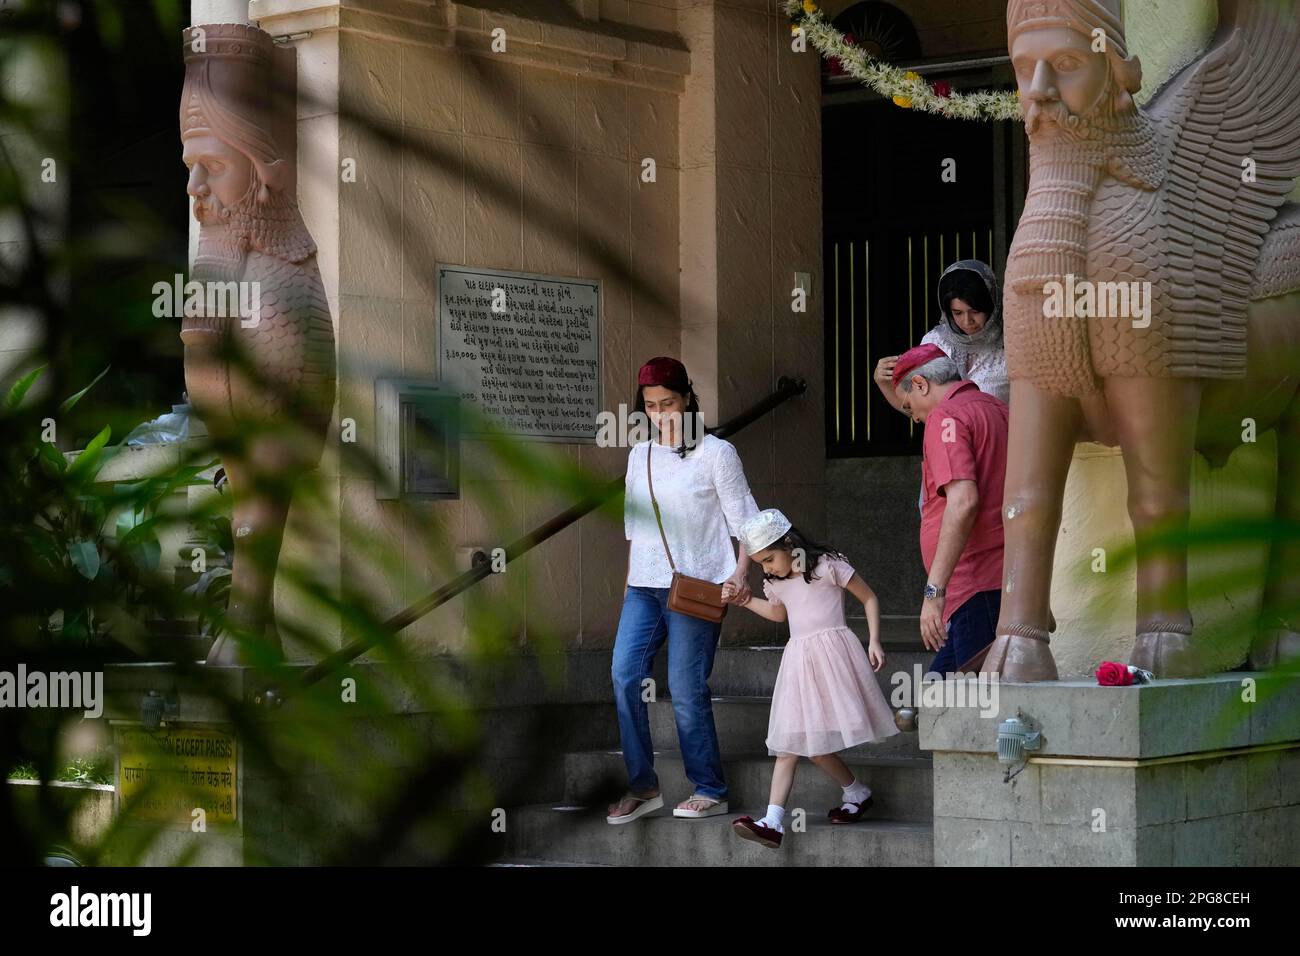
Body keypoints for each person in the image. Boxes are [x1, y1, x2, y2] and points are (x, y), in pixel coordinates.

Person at [606, 356, 759, 824]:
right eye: (650, 406)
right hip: (643, 589)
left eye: (668, 403)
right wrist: (629, 588)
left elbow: (747, 523)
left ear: (687, 397)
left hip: (698, 586)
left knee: (685, 687)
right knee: (623, 674)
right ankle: (643, 785)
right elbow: (635, 530)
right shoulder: (639, 455)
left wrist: (741, 573)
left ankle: (709, 787)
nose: (660, 414)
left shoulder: (716, 453)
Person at [722, 509, 899, 849]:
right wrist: (745, 601)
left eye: (770, 559)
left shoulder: (828, 565)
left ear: (789, 543)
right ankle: (778, 820)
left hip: (833, 658)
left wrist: (874, 640)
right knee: (793, 742)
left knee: (813, 746)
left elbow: (869, 597)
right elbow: (778, 613)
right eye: (761, 563)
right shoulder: (775, 582)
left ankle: (851, 795)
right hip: (799, 662)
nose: (767, 568)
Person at [891, 343, 1009, 675]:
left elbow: (963, 501)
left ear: (920, 384)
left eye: (908, 406)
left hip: (974, 582)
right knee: (938, 691)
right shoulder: (998, 408)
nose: (914, 417)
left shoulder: (946, 416)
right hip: (999, 580)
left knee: (969, 705)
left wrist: (934, 592)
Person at [873, 259, 1009, 411]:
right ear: (947, 311)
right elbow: (917, 410)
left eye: (975, 311)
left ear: (992, 306)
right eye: (957, 313)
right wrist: (884, 383)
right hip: (943, 434)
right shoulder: (935, 343)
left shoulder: (1010, 346)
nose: (967, 321)